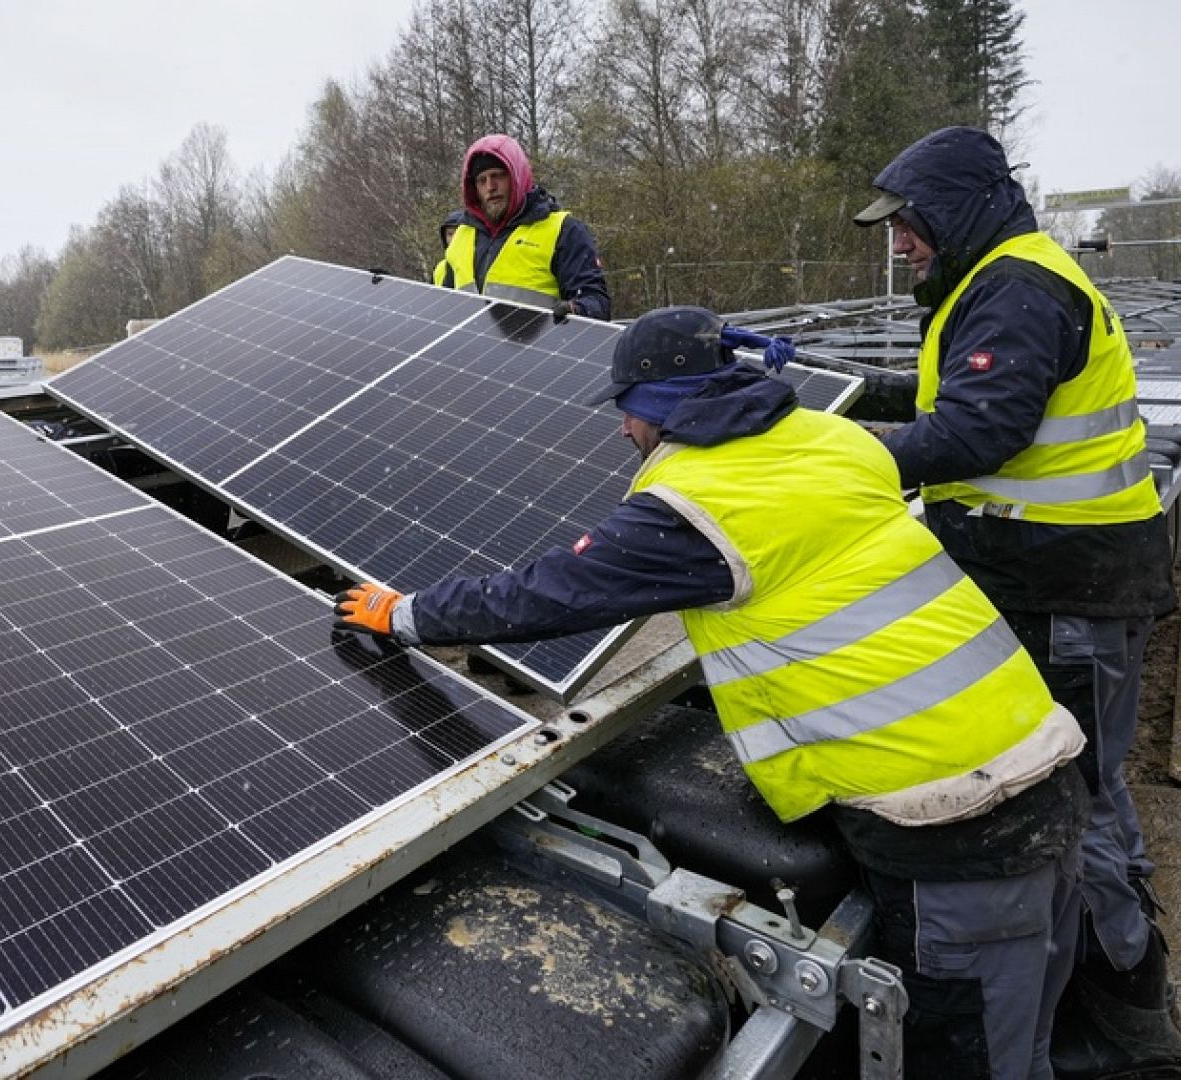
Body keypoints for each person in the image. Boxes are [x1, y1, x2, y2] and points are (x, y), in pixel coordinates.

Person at [332, 305, 1089, 1078]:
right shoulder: (835, 439)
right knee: (1029, 1028)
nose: (624, 430)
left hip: (950, 818)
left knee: (973, 1059)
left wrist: (406, 614)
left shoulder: (691, 511)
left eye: (627, 410)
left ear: (654, 407)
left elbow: (542, 594)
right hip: (1041, 752)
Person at [851, 126, 1180, 1075]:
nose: (902, 244)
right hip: (1064, 581)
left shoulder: (1015, 287)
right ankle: (1112, 992)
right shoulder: (1003, 281)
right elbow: (948, 400)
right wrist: (829, 396)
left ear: (952, 212)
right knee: (1086, 786)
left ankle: (1125, 1009)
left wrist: (825, 459)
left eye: (910, 224)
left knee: (1078, 793)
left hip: (1063, 590)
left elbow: (976, 432)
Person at [439, 133, 610, 321]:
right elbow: (445, 311)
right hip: (471, 350)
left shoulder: (563, 230)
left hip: (545, 348)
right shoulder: (461, 237)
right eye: (482, 180)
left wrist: (577, 309)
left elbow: (597, 302)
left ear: (517, 177)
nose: (491, 187)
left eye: (498, 175)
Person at [431, 209, 469, 288]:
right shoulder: (440, 268)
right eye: (450, 234)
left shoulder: (479, 263)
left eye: (458, 233)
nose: (454, 238)